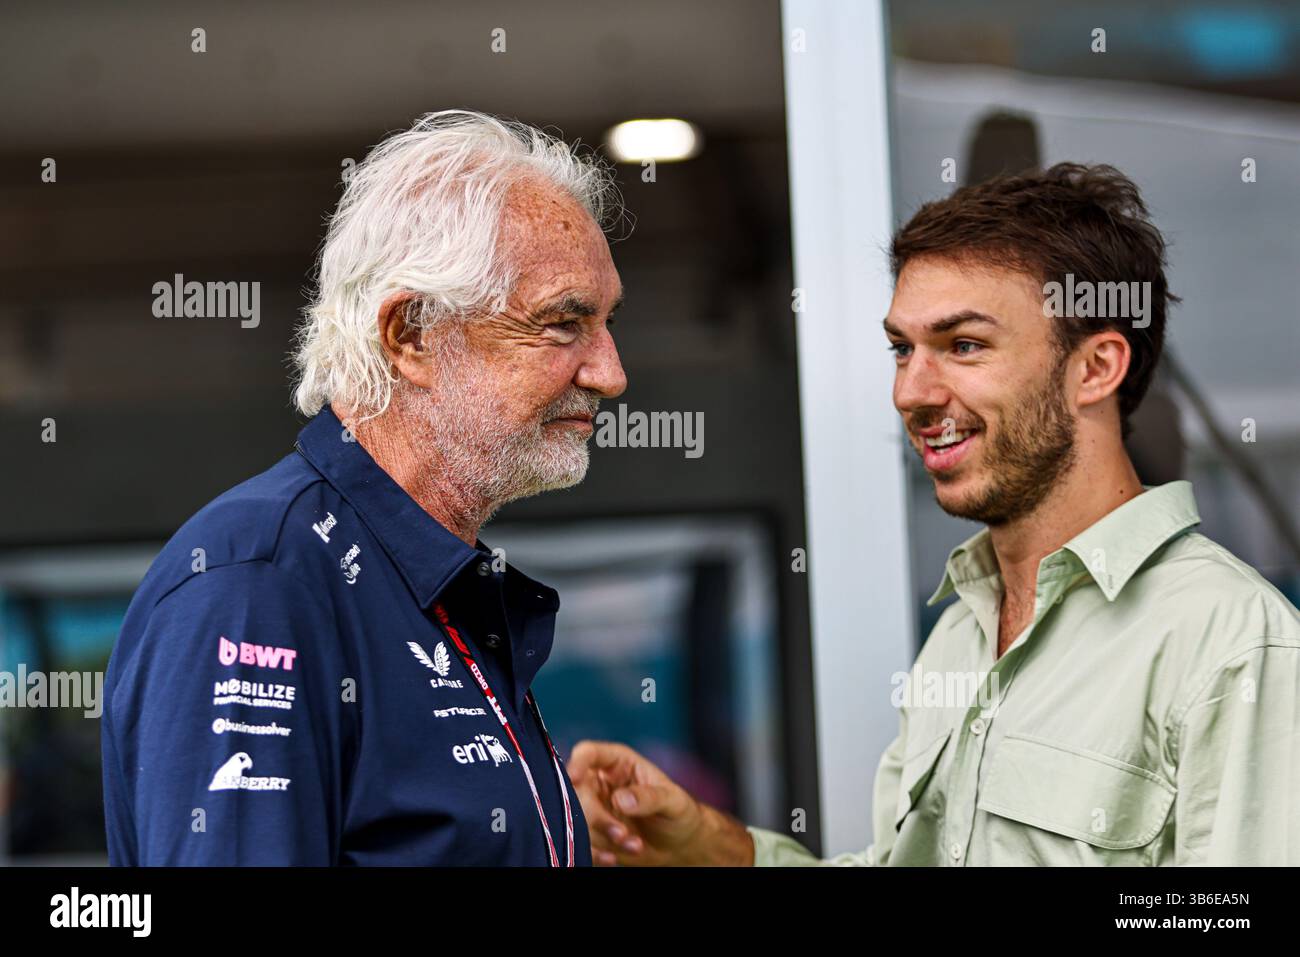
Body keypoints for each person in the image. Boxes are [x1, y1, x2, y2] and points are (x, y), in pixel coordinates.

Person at [570, 163, 1300, 866]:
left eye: (964, 345)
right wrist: (716, 849)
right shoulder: (960, 632)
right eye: (902, 349)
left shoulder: (1232, 640)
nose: (912, 391)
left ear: (1096, 368)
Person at [102, 110, 627, 865]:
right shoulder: (258, 587)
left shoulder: (425, 581)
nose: (610, 372)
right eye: (563, 323)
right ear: (411, 335)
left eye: (608, 323)